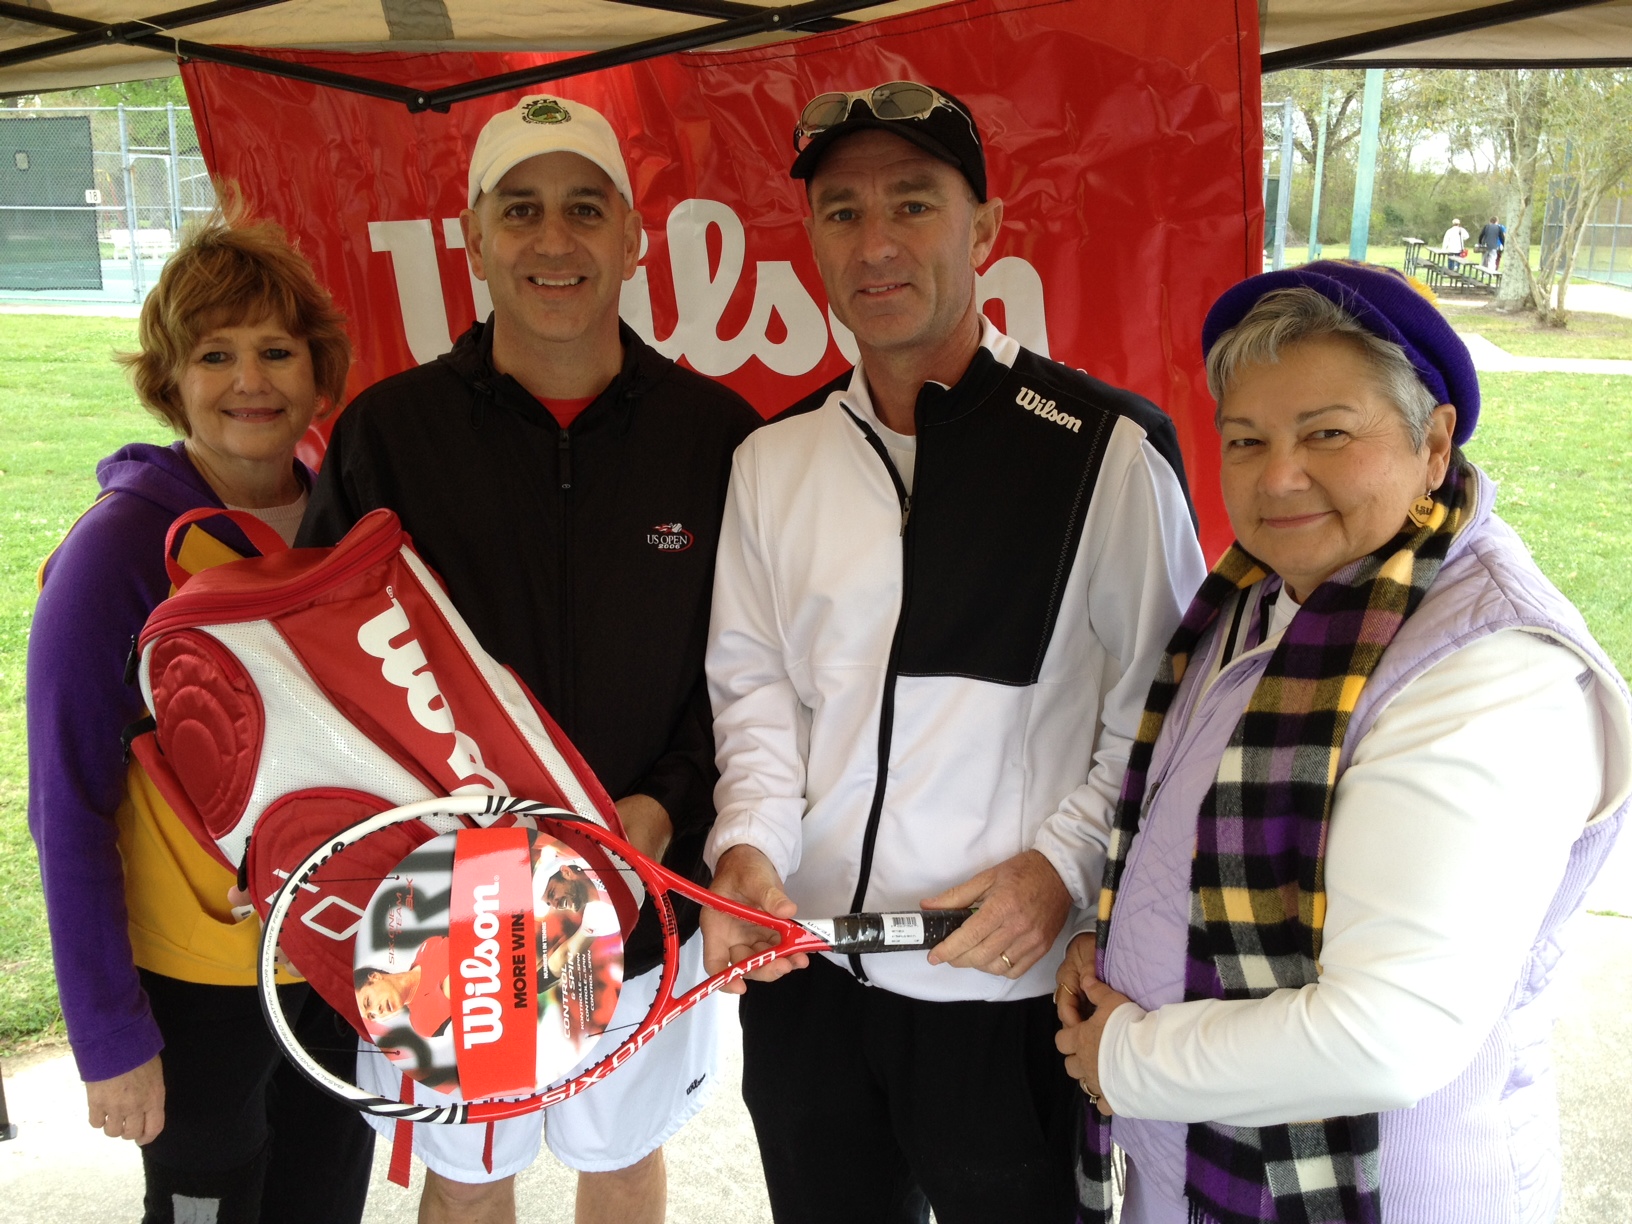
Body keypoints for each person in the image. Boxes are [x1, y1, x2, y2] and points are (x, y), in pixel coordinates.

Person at [701, 81, 1207, 1223]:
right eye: (841, 212)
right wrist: (748, 845)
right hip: (810, 976)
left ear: (984, 229)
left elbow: (1160, 712)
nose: (875, 243)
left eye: (913, 204)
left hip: (1005, 982)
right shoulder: (771, 461)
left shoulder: (1106, 453)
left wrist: (1062, 870)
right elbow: (755, 696)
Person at [1055, 261, 1631, 1224]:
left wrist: (1119, 1057)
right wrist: (1111, 941)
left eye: (1327, 432)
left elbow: (1388, 1036)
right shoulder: (1260, 593)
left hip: (1380, 1193)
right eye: (1245, 440)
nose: (1279, 476)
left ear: (1434, 440)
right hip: (1195, 1165)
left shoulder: (1490, 669)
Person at [299, 93, 760, 1224]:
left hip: (643, 882)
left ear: (633, 236)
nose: (554, 241)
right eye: (521, 212)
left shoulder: (716, 436)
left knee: (620, 1148)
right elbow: (325, 669)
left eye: (583, 210)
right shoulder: (388, 433)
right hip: (442, 895)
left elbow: (755, 667)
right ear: (473, 236)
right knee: (467, 1173)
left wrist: (667, 800)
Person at [26, 206, 377, 1224]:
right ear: (170, 379)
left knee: (325, 1204)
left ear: (319, 372)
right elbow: (68, 801)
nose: (251, 381)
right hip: (194, 989)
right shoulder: (118, 553)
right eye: (215, 354)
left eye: (276, 350)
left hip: (340, 963)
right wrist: (108, 1034)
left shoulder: (344, 526)